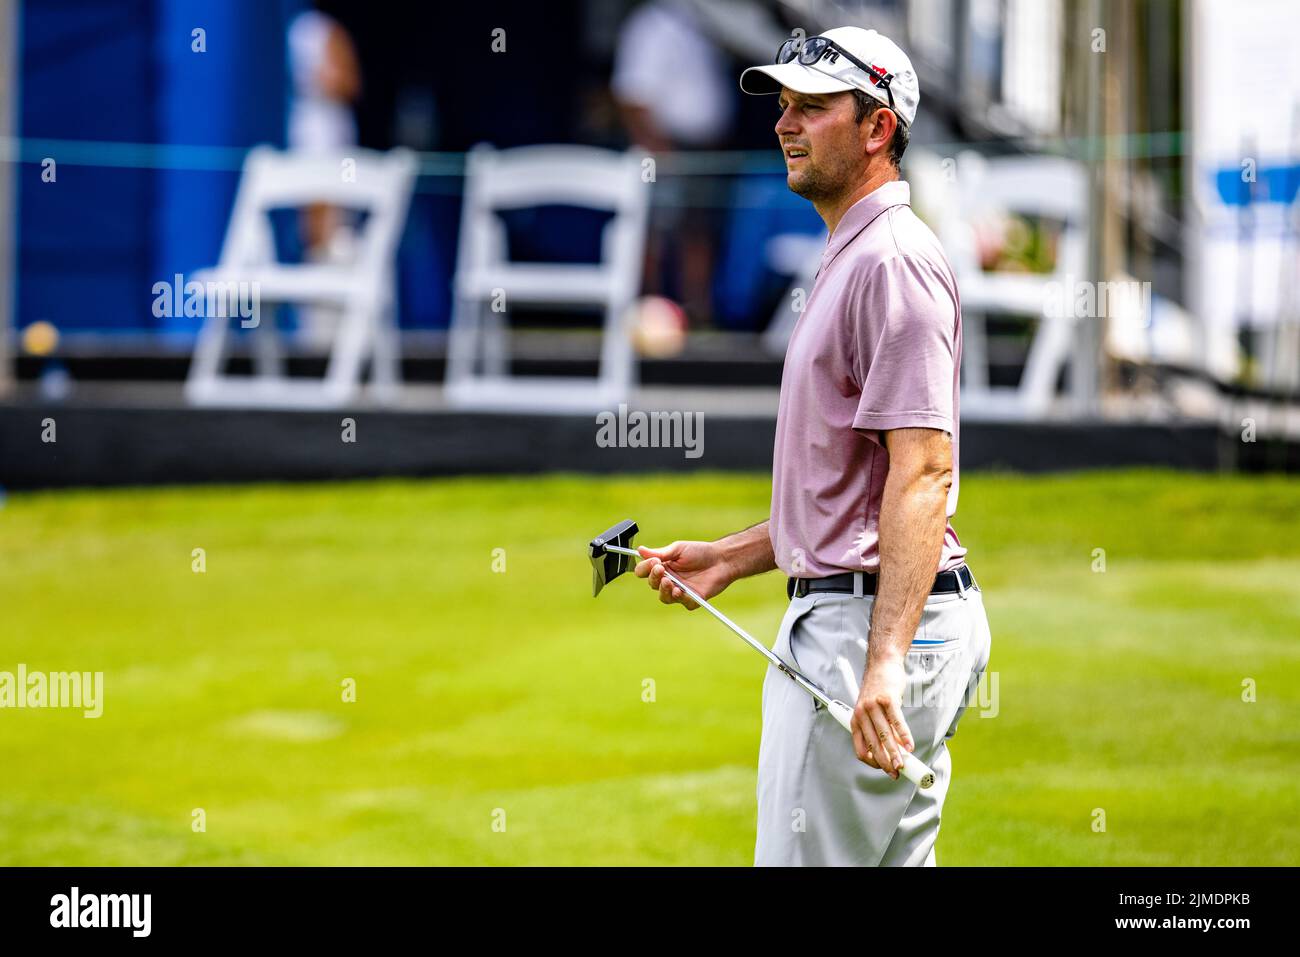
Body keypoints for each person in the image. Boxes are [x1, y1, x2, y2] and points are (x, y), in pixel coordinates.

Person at [633, 26, 992, 866]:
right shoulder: (858, 251)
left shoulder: (891, 262)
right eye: (784, 105)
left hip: (866, 629)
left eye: (813, 107)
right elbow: (856, 488)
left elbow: (925, 470)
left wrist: (884, 665)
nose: (784, 123)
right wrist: (733, 556)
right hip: (879, 616)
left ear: (877, 130)